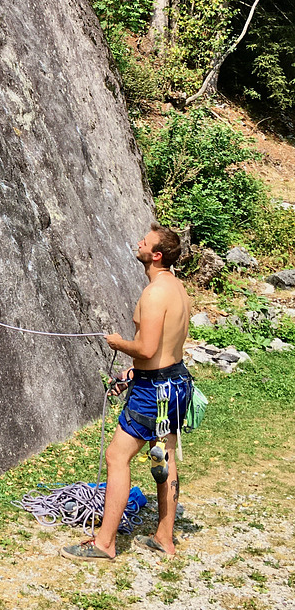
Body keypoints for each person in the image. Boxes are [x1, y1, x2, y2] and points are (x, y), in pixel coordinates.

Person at [63, 223, 191, 561]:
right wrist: (132, 374)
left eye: (145, 242)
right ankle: (165, 538)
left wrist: (121, 344)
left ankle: (104, 543)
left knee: (117, 457)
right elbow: (166, 349)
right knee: (163, 457)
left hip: (154, 391)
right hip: (176, 383)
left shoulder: (153, 294)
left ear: (156, 255)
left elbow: (147, 348)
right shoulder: (177, 289)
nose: (139, 243)